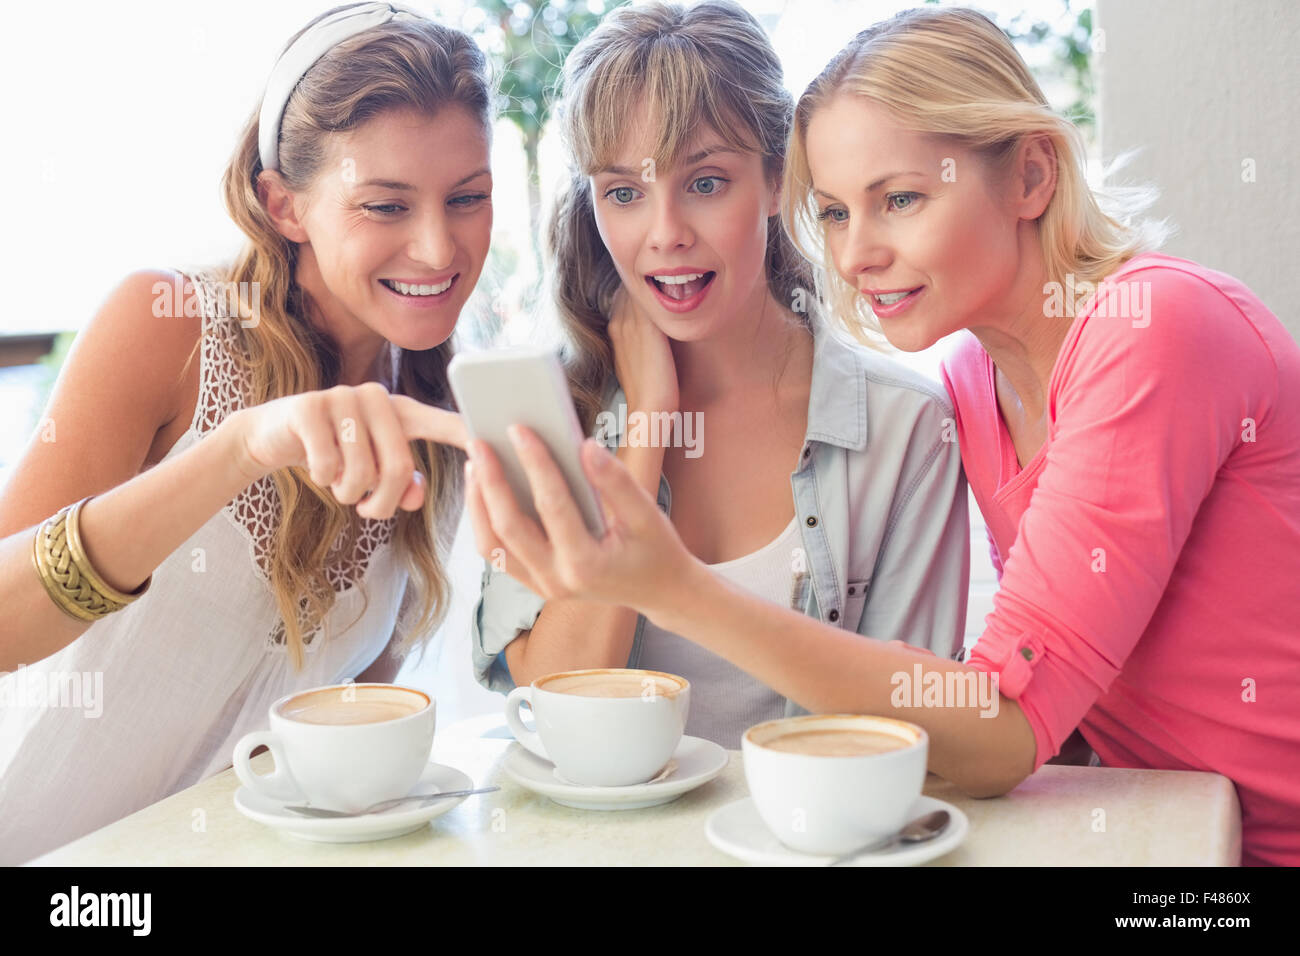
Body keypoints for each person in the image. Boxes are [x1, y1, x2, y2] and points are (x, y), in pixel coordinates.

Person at [463, 6, 1300, 865]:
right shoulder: (979, 380)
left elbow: (1004, 727)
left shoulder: (1151, 327)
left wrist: (674, 586)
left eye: (900, 199)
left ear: (1031, 177)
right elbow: (1032, 702)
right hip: (1175, 836)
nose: (857, 254)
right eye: (832, 213)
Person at [0, 2, 486, 864]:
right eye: (384, 205)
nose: (437, 246)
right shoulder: (172, 323)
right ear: (283, 203)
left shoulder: (437, 409)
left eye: (468, 198)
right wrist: (243, 447)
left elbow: (345, 740)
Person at [469, 0, 969, 748]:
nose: (665, 233)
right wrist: (648, 427)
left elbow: (909, 731)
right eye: (626, 193)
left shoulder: (905, 430)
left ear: (776, 180)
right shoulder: (551, 417)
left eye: (704, 183)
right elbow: (557, 705)